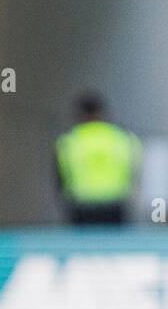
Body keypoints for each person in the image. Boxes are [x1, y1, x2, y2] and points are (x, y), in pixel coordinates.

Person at [55, 94, 141, 225]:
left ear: (79, 115)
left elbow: (60, 177)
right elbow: (133, 171)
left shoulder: (69, 141)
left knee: (82, 245)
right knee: (113, 244)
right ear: (102, 113)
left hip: (81, 207)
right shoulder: (122, 139)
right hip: (114, 206)